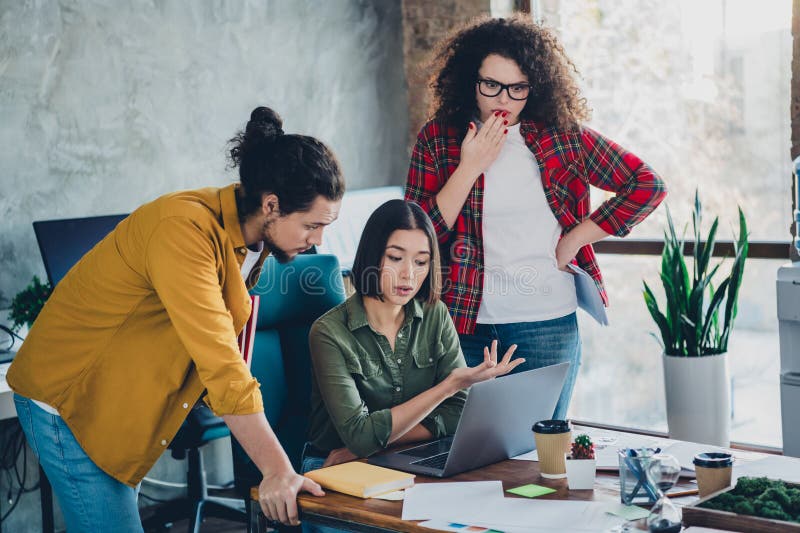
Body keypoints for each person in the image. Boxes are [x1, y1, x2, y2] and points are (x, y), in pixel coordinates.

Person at [7, 106, 344, 531]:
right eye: (312, 226)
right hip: (67, 401)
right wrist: (277, 470)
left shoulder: (249, 242)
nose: (317, 242)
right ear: (271, 204)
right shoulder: (183, 231)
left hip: (113, 401)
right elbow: (221, 362)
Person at [405, 15, 667, 420]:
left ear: (536, 87)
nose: (502, 100)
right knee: (463, 450)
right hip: (461, 323)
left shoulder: (563, 137)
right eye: (490, 85)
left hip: (544, 323)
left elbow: (646, 185)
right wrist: (469, 166)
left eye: (517, 88)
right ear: (469, 79)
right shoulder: (438, 139)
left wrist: (576, 238)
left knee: (538, 455)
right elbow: (417, 234)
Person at [304, 200, 523, 474]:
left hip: (401, 455)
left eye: (421, 262)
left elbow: (458, 413)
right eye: (395, 258)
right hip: (334, 465)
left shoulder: (435, 315)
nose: (409, 274)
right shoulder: (329, 332)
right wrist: (448, 386)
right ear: (373, 255)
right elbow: (359, 436)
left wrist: (375, 443)